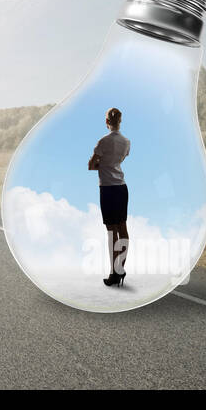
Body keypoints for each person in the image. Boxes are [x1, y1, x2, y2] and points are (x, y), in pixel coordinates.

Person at [88, 107, 130, 287]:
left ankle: (114, 273)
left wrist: (102, 166)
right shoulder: (126, 142)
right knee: (122, 228)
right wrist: (109, 165)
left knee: (111, 232)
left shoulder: (102, 142)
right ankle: (120, 268)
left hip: (107, 189)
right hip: (121, 187)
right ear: (120, 121)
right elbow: (119, 161)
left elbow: (91, 165)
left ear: (107, 122)